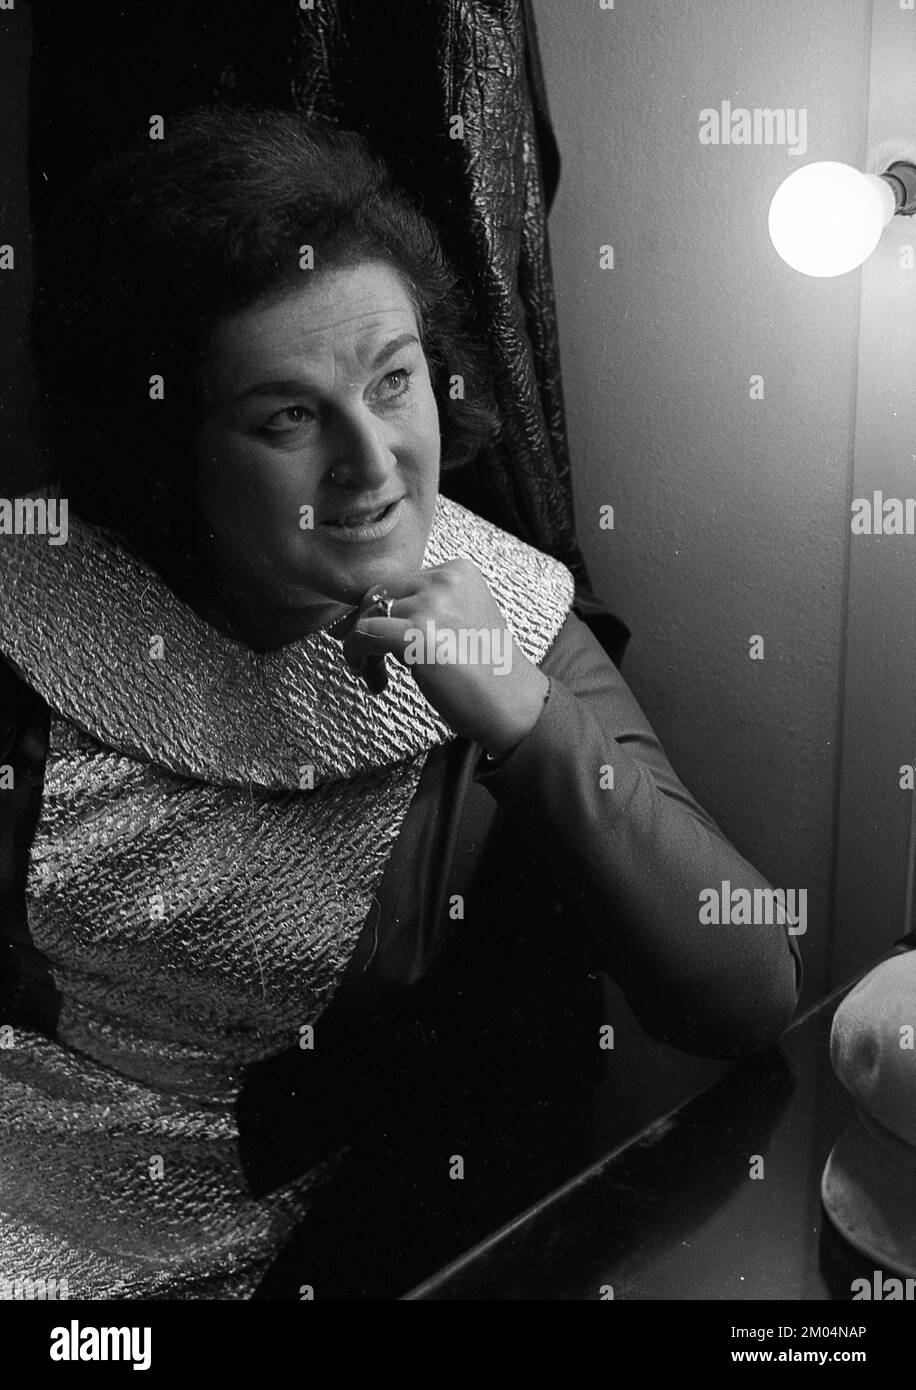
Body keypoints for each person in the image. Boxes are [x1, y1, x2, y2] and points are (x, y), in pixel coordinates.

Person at [0, 107, 801, 1300]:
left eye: (392, 382)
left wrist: (527, 718)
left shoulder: (514, 614)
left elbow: (748, 997)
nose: (373, 465)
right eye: (287, 415)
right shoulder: (36, 597)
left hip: (257, 1246)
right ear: (171, 446)